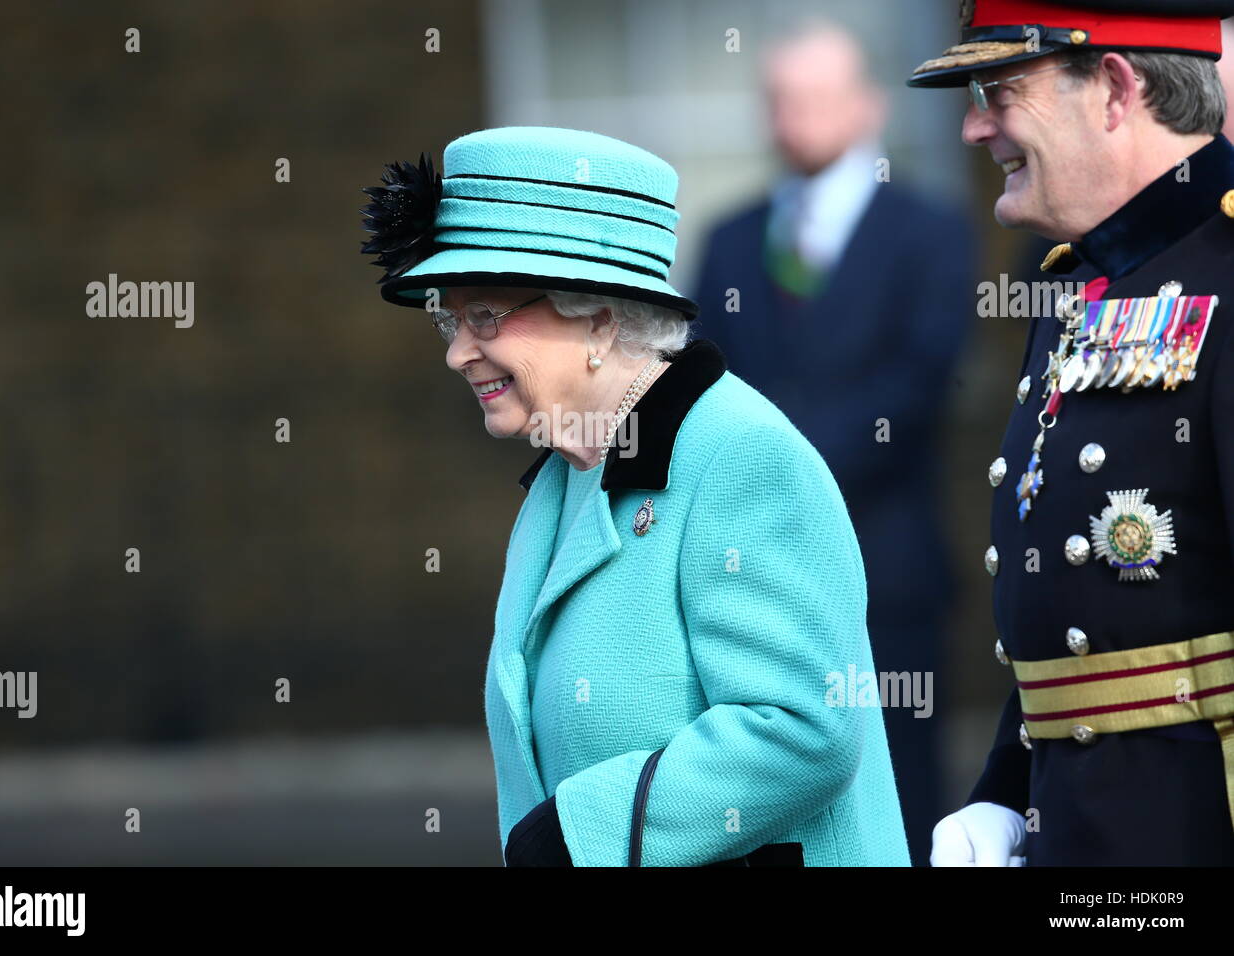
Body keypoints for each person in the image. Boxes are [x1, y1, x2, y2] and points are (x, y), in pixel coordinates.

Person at [360, 125, 910, 866]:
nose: (459, 350)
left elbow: (807, 725)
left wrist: (584, 830)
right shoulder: (565, 475)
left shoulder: (740, 455)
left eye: (485, 315)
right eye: (448, 318)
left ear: (598, 318)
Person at [907, 0, 1234, 865]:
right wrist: (1005, 795)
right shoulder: (1080, 286)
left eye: (999, 90)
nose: (977, 128)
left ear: (1117, 89)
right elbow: (1086, 621)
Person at [694, 22, 976, 866]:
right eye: (778, 99)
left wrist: (777, 470)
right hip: (747, 572)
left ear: (865, 107)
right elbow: (703, 380)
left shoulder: (930, 231)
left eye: (816, 97)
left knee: (897, 784)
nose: (794, 117)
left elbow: (922, 383)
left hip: (884, 568)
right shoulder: (731, 237)